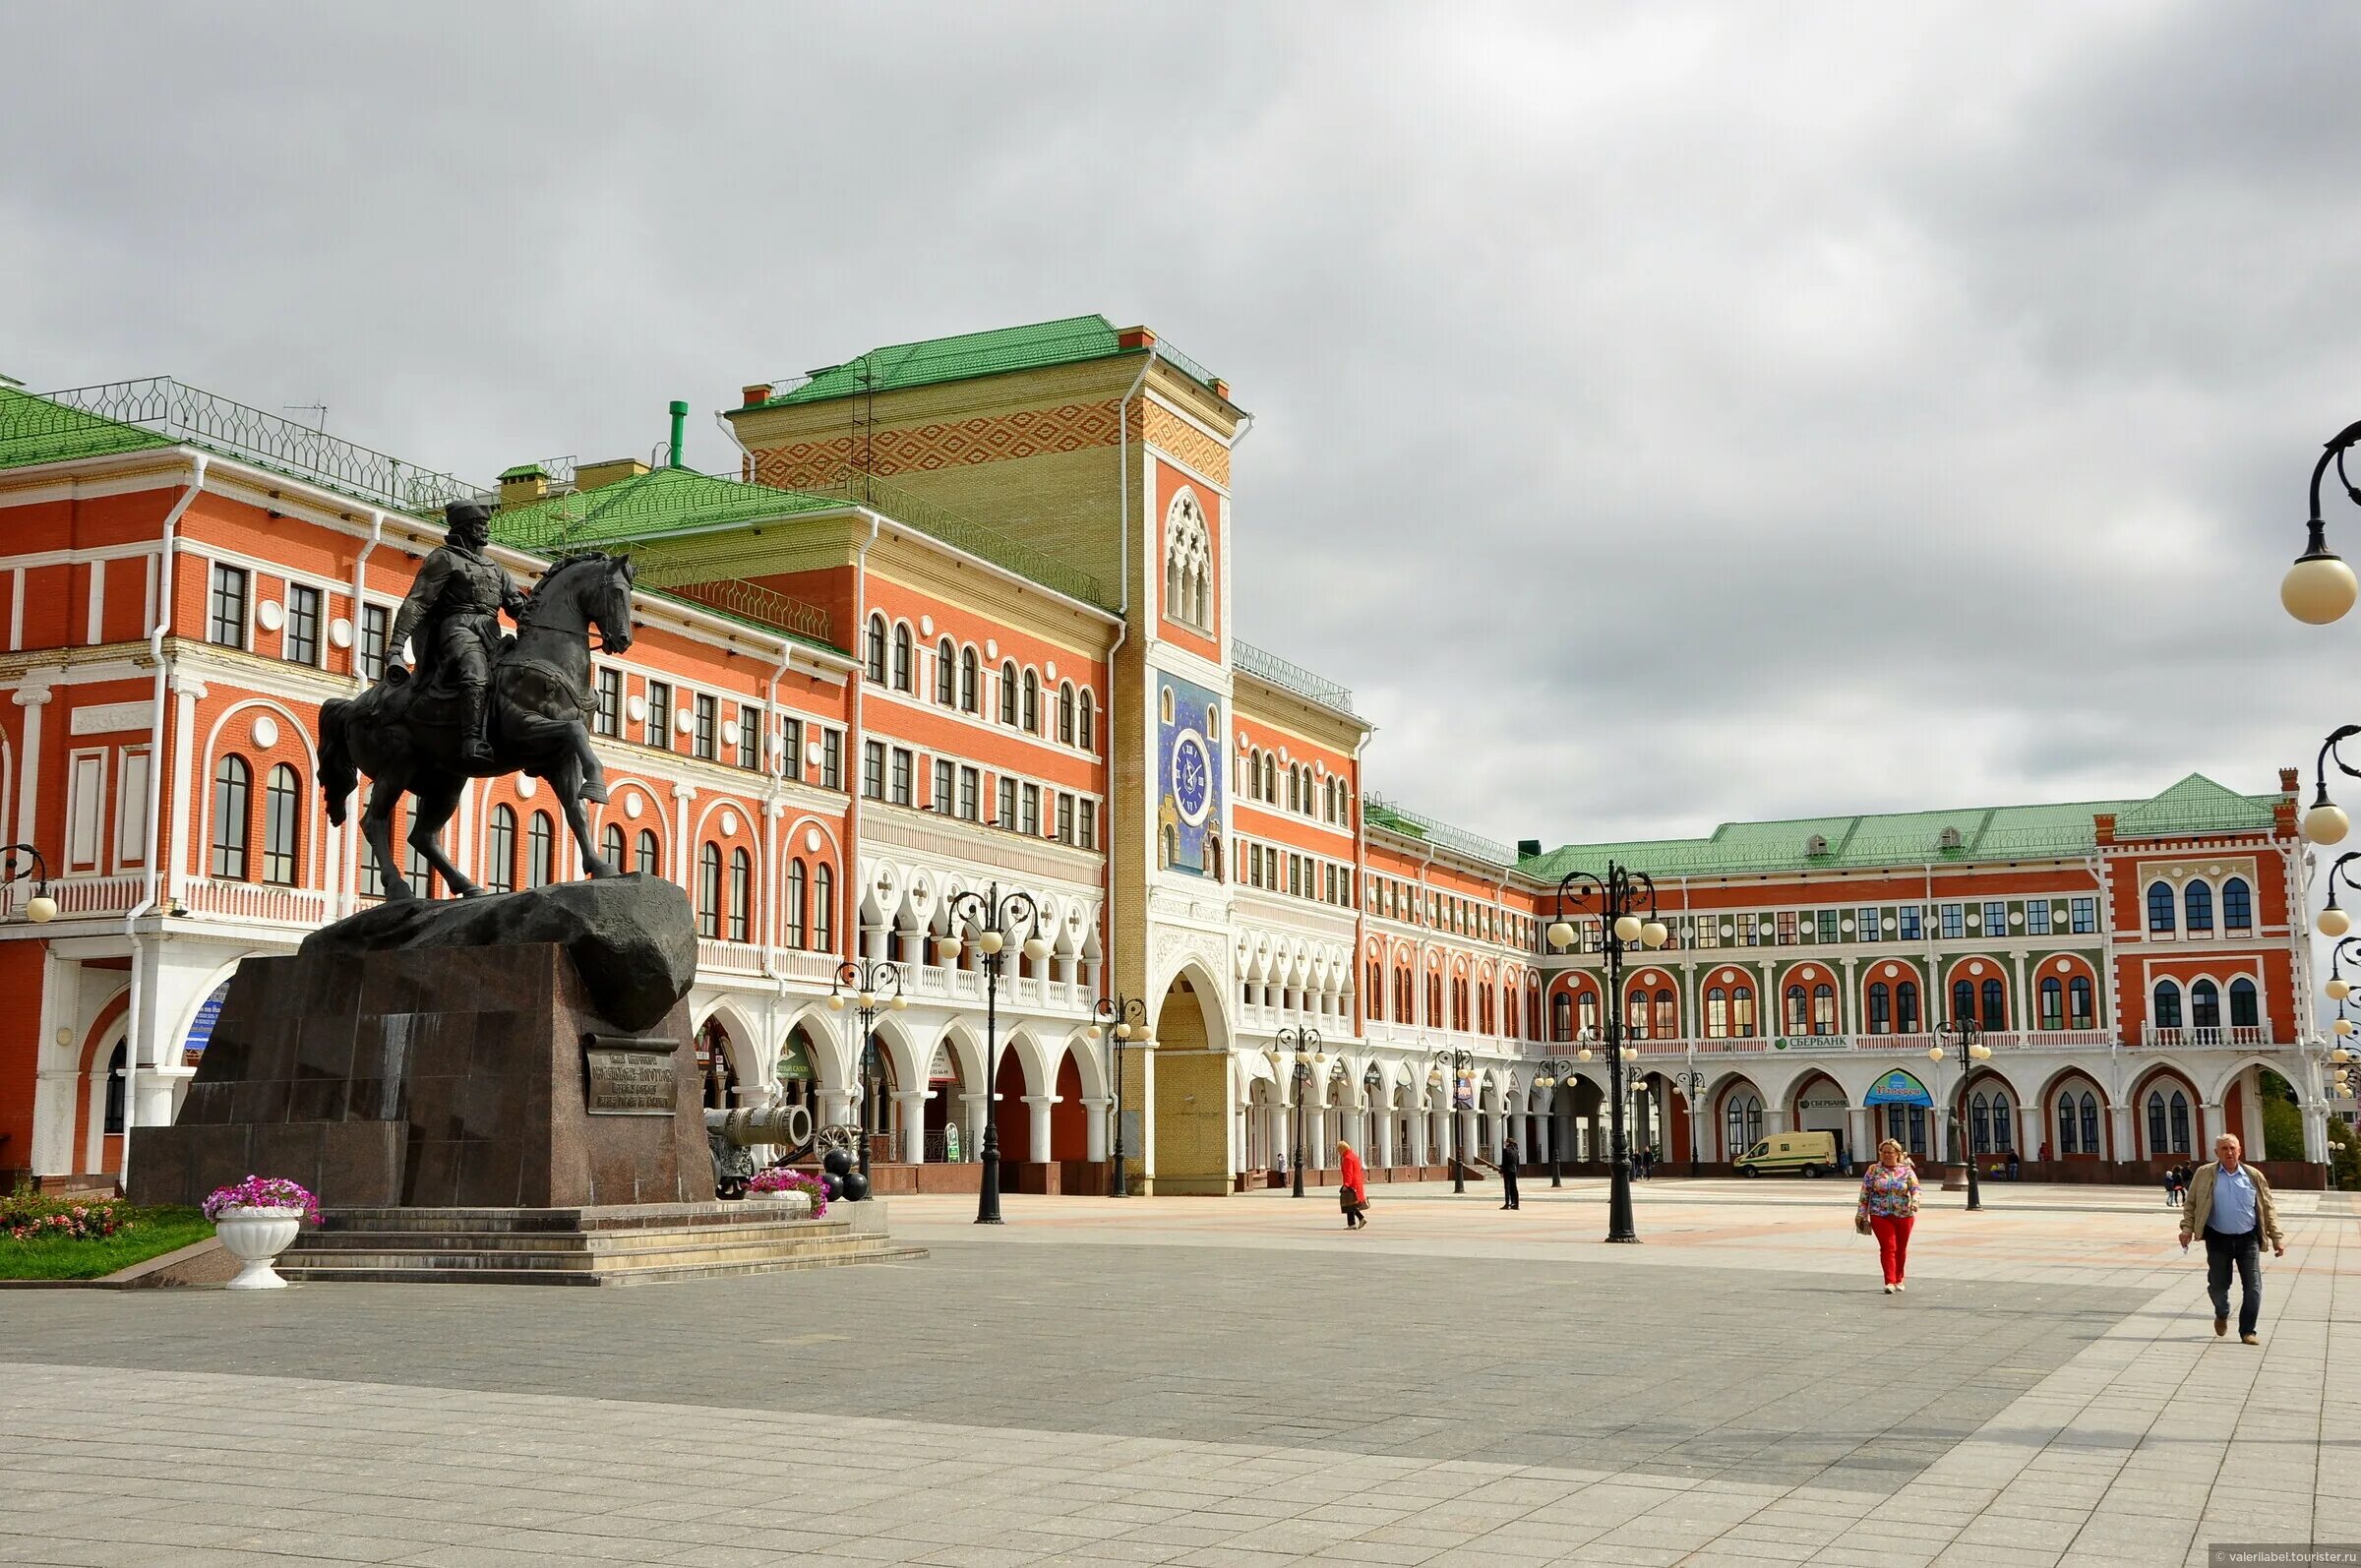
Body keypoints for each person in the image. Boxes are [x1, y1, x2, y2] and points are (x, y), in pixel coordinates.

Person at [390, 500, 529, 766]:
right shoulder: (444, 558)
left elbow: (514, 605)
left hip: (490, 632)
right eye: (480, 525)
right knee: (475, 672)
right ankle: (471, 739)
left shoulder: (495, 567)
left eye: (486, 525)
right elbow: (418, 601)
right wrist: (396, 647)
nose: (486, 530)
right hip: (458, 629)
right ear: (464, 528)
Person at [2179, 1133, 2286, 1345]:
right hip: (2218, 1238)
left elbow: (2267, 1207)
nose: (2229, 1152)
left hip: (2248, 1239)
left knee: (2253, 1286)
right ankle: (2222, 1312)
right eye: (2224, 1148)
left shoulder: (2253, 1175)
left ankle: (2248, 1331)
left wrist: (2276, 1237)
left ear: (2239, 1150)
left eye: (2232, 1148)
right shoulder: (2204, 1174)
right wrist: (2186, 1229)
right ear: (2216, 1153)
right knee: (2218, 1285)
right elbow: (2190, 1204)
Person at [1856, 1137, 1921, 1294]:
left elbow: (1916, 1189)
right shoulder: (1874, 1170)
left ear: (1897, 1153)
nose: (1886, 1155)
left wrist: (1915, 1202)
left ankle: (1899, 1278)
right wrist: (1861, 1213)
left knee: (1901, 1248)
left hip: (1904, 1213)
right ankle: (1890, 1281)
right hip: (1880, 1214)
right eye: (1883, 1152)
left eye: (1889, 1152)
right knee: (1888, 1247)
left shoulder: (1906, 1170)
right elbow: (1865, 1193)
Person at [1337, 1139, 1368, 1230]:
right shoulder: (1353, 1156)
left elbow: (1348, 1172)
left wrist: (1346, 1184)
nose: (1339, 1153)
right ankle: (1360, 1219)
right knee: (1352, 1204)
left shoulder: (1347, 1158)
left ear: (1342, 1149)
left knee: (1348, 1203)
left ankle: (1352, 1224)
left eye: (1339, 1150)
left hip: (1351, 1183)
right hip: (1356, 1183)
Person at [1497, 1134, 1522, 1211]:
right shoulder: (1516, 1151)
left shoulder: (1506, 1150)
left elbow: (1504, 1162)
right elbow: (1518, 1163)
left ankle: (1507, 1204)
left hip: (1507, 1171)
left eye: (1505, 1142)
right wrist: (1517, 1171)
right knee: (1514, 1187)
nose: (1505, 1143)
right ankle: (1516, 1204)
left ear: (1508, 1142)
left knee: (1507, 1187)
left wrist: (1501, 1171)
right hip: (1514, 1171)